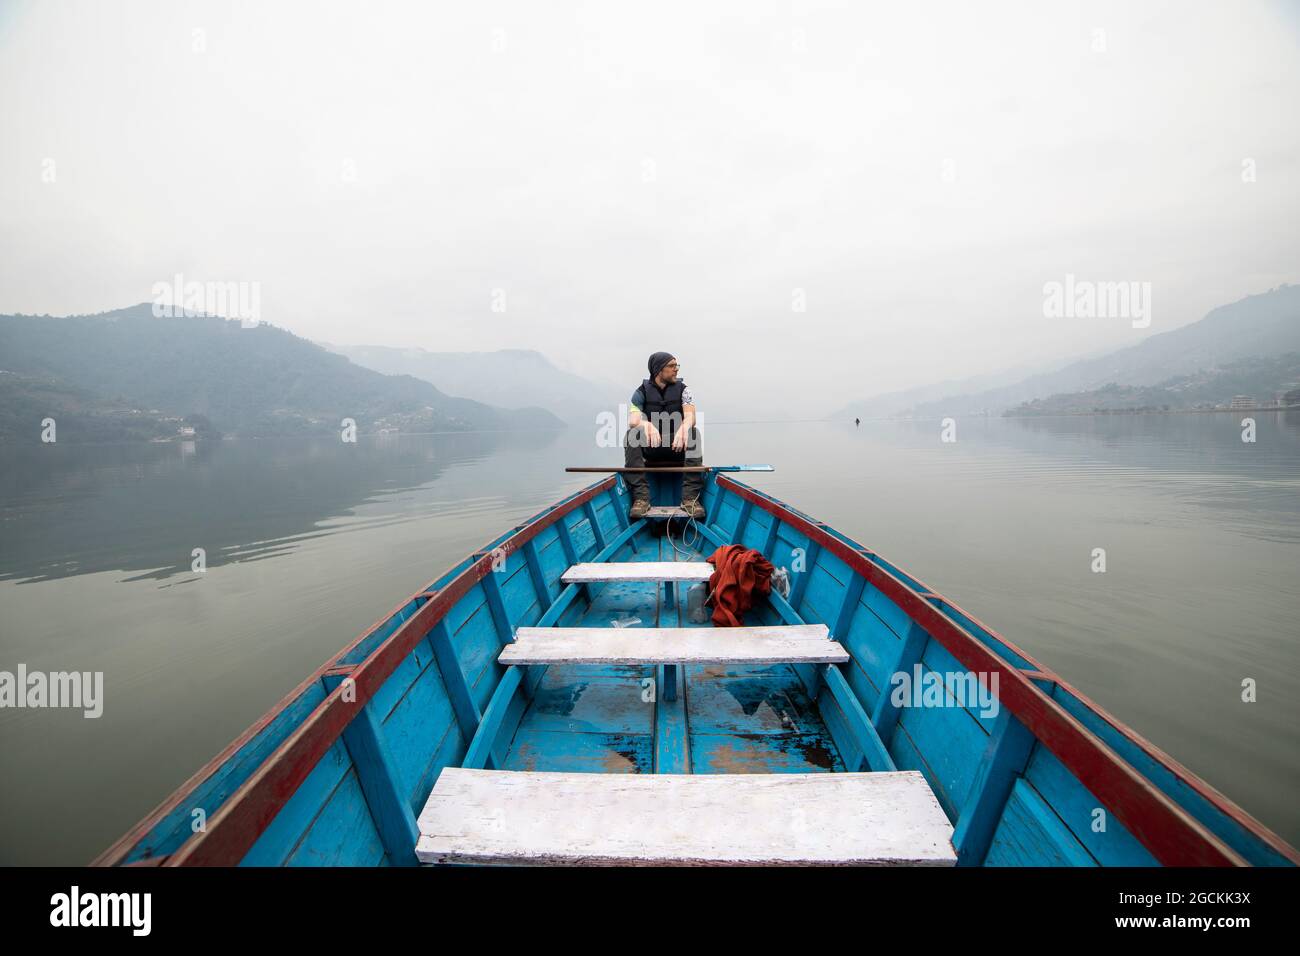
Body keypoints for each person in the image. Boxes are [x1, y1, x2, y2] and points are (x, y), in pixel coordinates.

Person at [624, 351, 704, 520]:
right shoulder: (640, 392)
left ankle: (690, 499)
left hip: (677, 447)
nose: (676, 370)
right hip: (652, 448)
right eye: (672, 366)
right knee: (632, 434)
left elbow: (690, 416)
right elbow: (633, 420)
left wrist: (685, 426)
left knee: (694, 434)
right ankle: (641, 498)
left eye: (677, 366)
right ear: (658, 369)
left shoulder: (684, 390)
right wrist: (645, 424)